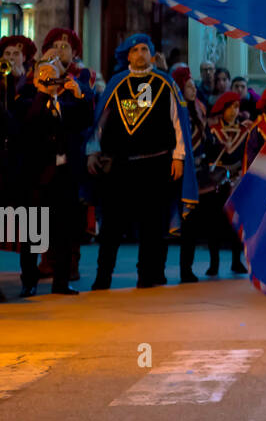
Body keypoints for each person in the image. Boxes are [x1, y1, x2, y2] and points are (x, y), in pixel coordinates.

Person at [88, 34, 195, 290]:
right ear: (128, 55)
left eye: (144, 49)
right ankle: (103, 276)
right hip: (122, 165)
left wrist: (179, 157)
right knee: (112, 224)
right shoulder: (116, 83)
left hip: (156, 164)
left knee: (153, 224)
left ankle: (148, 276)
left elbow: (178, 122)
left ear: (152, 54)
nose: (140, 54)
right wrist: (92, 150)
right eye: (135, 50)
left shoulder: (166, 82)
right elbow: (99, 123)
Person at [12, 56, 92, 296]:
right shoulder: (27, 103)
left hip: (64, 177)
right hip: (36, 178)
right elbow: (31, 120)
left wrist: (79, 94)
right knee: (33, 234)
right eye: (43, 73)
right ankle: (29, 281)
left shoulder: (66, 105)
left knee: (64, 232)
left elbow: (85, 120)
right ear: (36, 79)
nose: (49, 77)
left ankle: (61, 281)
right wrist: (42, 91)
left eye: (52, 73)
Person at [204, 90, 251, 276]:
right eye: (230, 107)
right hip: (218, 180)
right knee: (214, 222)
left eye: (237, 107)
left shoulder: (245, 128)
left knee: (237, 221)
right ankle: (213, 262)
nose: (234, 111)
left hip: (237, 179)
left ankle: (235, 260)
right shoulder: (213, 129)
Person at [172, 65, 207, 283]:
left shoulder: (199, 110)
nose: (193, 90)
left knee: (192, 225)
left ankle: (188, 268)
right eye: (189, 86)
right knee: (177, 220)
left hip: (199, 174)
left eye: (194, 86)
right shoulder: (177, 111)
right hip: (180, 172)